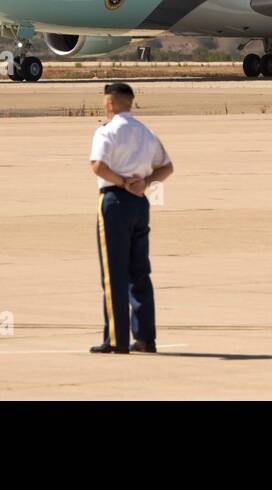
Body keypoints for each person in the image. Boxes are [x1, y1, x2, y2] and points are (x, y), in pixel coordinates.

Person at [88, 81, 173, 354]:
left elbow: (98, 166)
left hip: (115, 201)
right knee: (139, 272)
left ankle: (116, 340)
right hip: (139, 202)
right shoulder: (145, 132)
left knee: (114, 274)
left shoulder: (106, 131)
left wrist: (123, 183)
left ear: (110, 104)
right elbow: (167, 167)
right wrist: (144, 182)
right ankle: (146, 338)